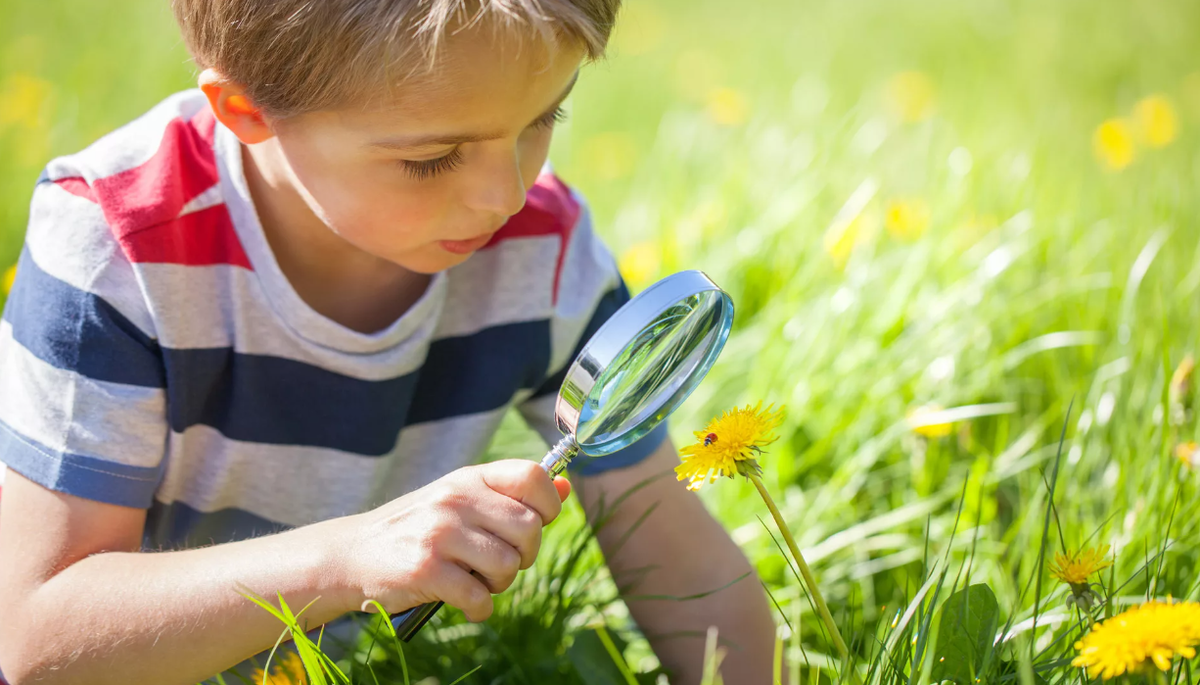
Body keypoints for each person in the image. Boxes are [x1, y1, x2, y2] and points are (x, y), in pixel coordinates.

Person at [0, 1, 776, 682]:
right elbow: (37, 638)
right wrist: (345, 559)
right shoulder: (121, 246)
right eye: (429, 158)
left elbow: (677, 554)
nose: (504, 195)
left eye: (545, 118)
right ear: (245, 108)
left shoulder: (539, 249)